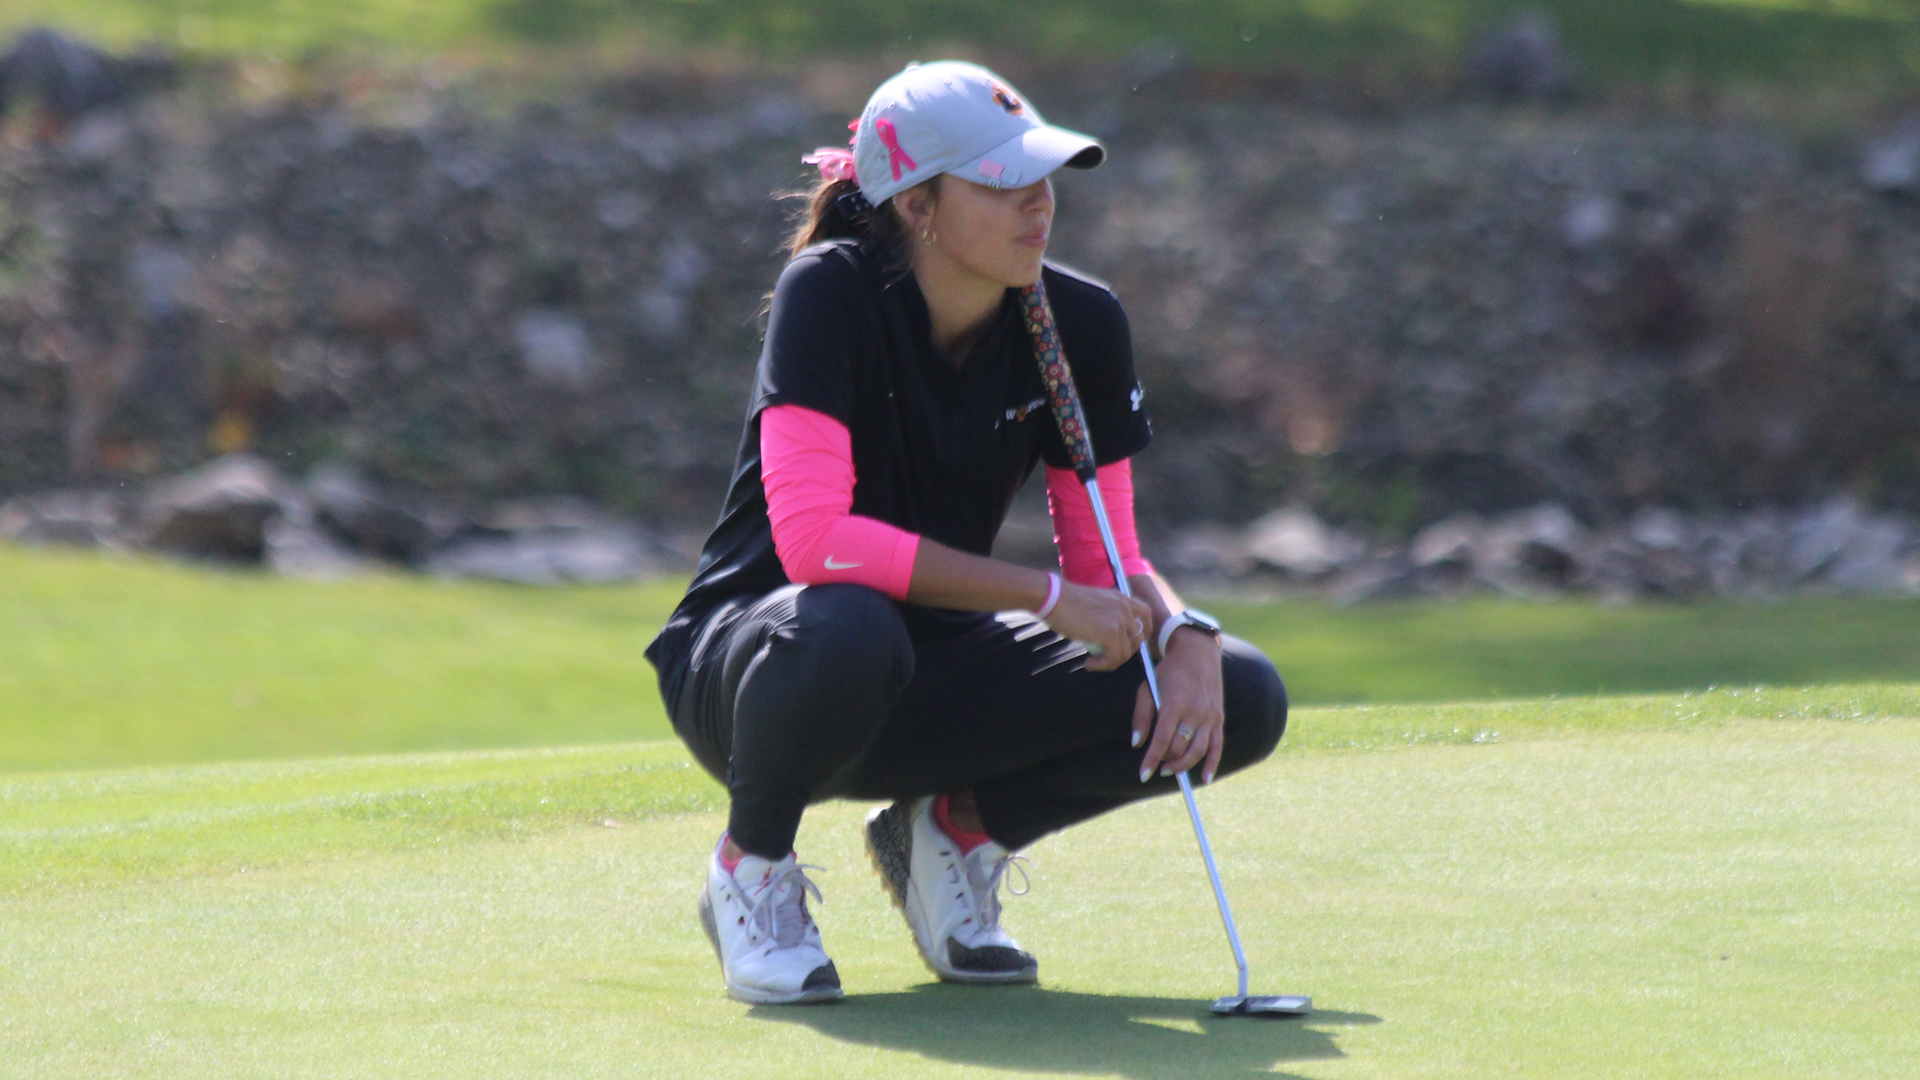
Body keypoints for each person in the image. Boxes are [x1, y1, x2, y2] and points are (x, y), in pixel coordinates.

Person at [644, 60, 1288, 1006]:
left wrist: (1178, 630)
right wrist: (1041, 597)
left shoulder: (1081, 323)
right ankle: (752, 870)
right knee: (851, 624)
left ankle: (955, 831)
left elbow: (1107, 562)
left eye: (1043, 177)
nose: (1038, 204)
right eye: (1000, 183)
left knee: (1240, 689)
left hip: (932, 671)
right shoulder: (828, 291)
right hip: (759, 667)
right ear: (918, 206)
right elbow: (817, 542)